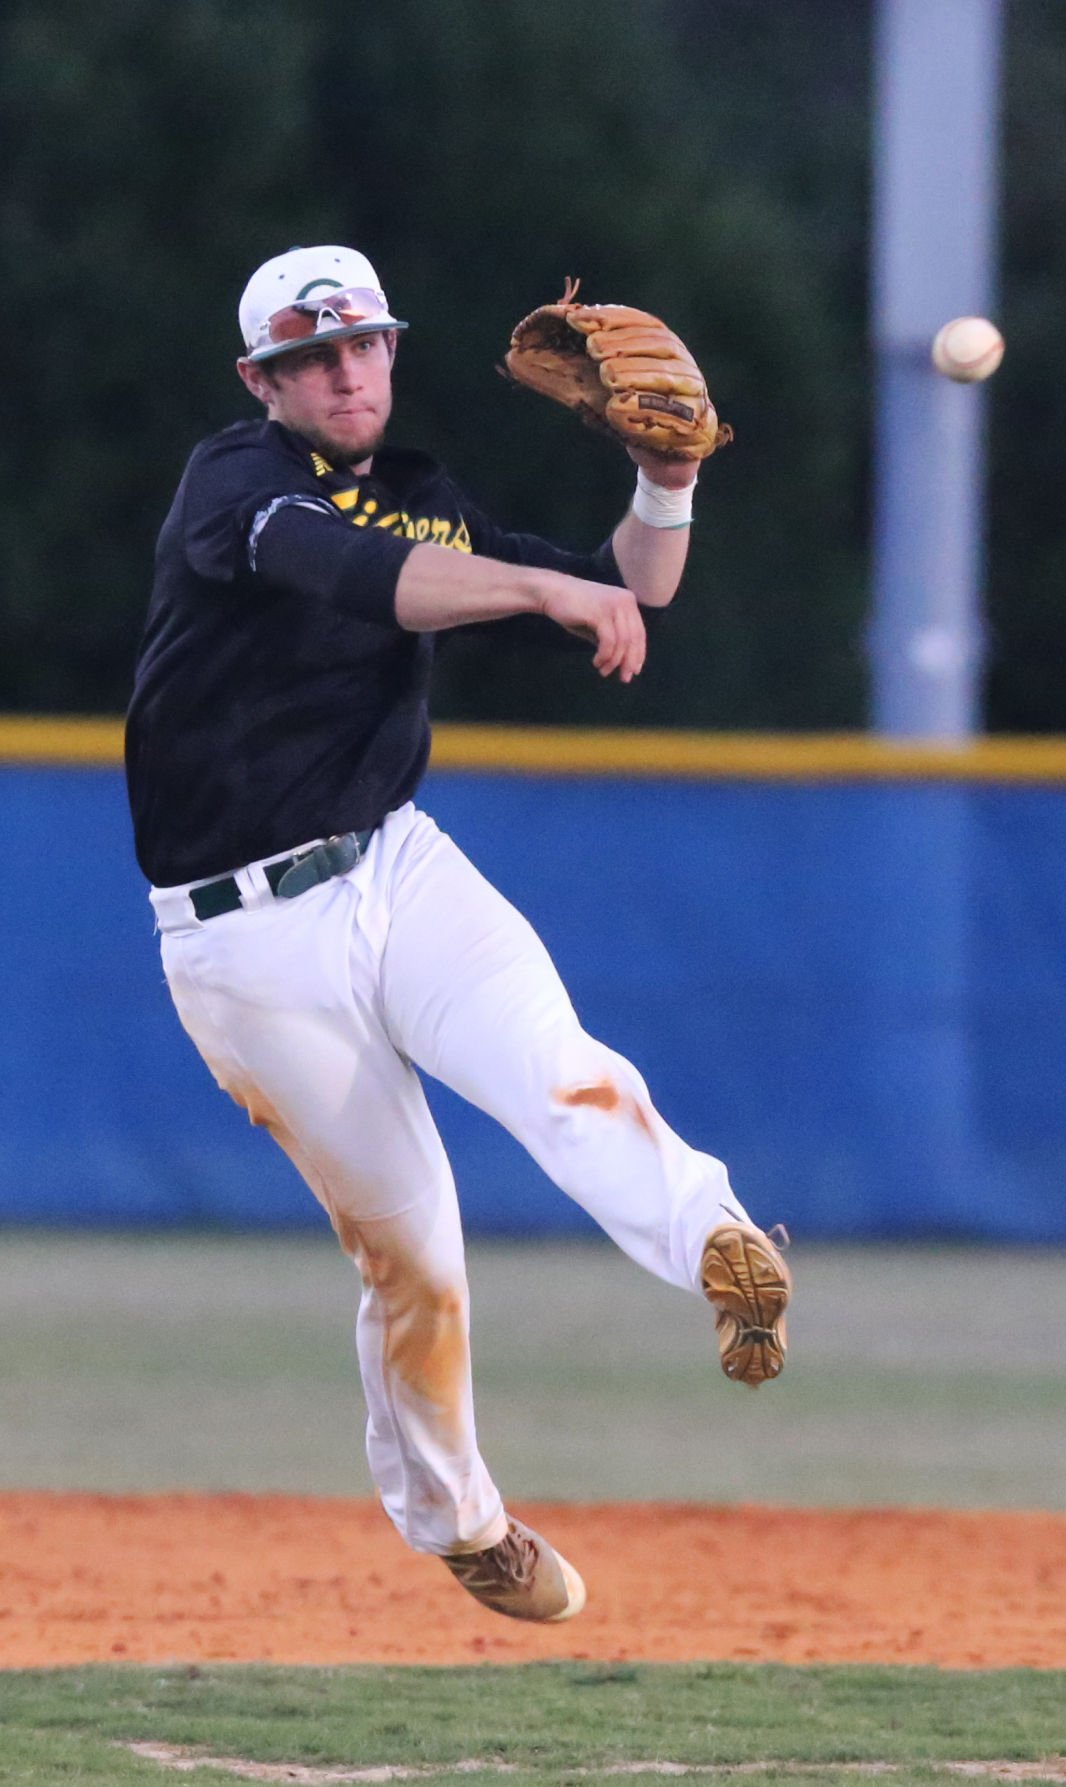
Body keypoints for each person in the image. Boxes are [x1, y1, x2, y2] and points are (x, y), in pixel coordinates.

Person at [125, 244, 791, 1625]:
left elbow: (635, 587)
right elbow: (374, 584)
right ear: (264, 382)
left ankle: (725, 1246)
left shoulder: (425, 497)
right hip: (245, 945)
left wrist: (667, 482)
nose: (348, 371)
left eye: (364, 344)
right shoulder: (234, 488)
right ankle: (462, 1521)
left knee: (559, 1067)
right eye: (313, 357)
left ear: (392, 349)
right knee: (412, 1249)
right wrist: (542, 591)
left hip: (397, 862)